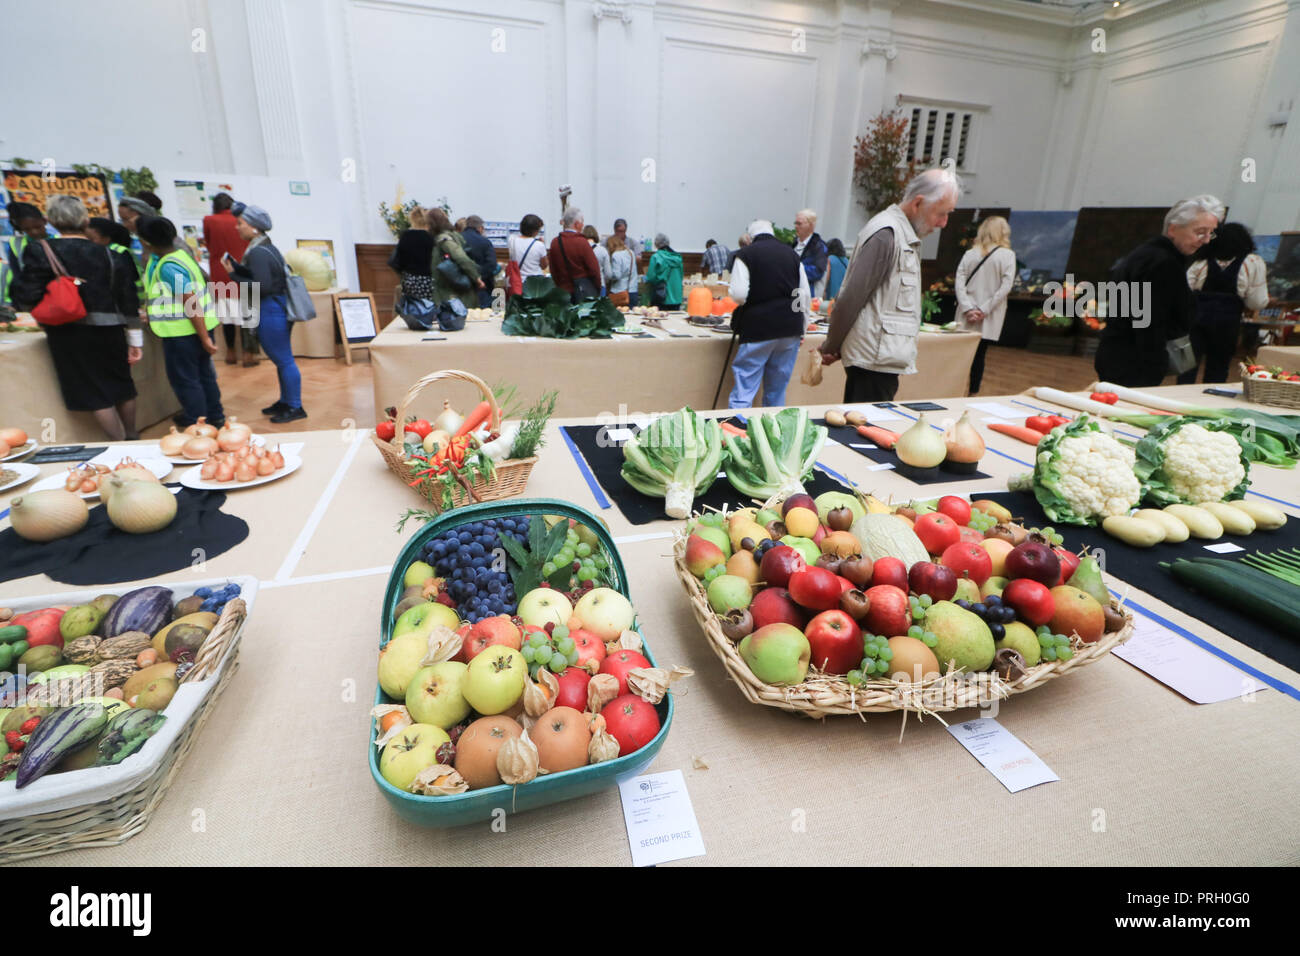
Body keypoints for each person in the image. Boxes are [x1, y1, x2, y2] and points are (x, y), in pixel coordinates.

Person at [820, 166, 961, 402]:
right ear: (917, 204)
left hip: (881, 357)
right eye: (941, 213)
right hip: (873, 360)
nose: (944, 223)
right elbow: (851, 298)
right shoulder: (887, 234)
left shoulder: (902, 233)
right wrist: (831, 345)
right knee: (863, 429)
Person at [10, 196, 142, 440]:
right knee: (122, 385)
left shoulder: (41, 250)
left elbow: (26, 292)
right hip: (112, 329)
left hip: (68, 332)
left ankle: (120, 443)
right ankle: (133, 436)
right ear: (85, 219)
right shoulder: (112, 255)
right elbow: (128, 298)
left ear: (49, 221)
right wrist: (135, 339)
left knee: (95, 392)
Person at [1094, 195, 1224, 387]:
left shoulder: (1148, 254)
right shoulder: (1162, 263)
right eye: (1200, 232)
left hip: (1120, 354)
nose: (1205, 240)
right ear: (1173, 229)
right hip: (1135, 362)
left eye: (1211, 233)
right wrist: (1156, 363)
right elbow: (1149, 321)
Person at [137, 215, 224, 429]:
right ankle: (215, 417)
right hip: (198, 328)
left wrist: (204, 339)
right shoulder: (182, 256)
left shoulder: (168, 266)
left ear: (145, 242)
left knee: (187, 381)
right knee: (204, 376)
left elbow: (190, 301)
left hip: (184, 334)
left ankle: (198, 423)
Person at [226, 206, 307, 423]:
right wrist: (238, 270)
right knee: (282, 359)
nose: (237, 227)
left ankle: (295, 406)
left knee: (284, 360)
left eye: (240, 223)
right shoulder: (266, 246)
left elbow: (262, 286)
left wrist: (233, 275)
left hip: (270, 308)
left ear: (253, 227)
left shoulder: (258, 252)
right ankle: (286, 401)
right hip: (275, 306)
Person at [726, 219, 808, 408]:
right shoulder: (792, 254)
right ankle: (775, 432)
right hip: (790, 328)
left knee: (745, 388)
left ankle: (737, 430)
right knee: (777, 390)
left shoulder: (746, 254)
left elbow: (739, 294)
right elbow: (803, 295)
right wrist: (802, 327)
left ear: (750, 236)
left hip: (758, 327)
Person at [1179, 223, 1269, 384]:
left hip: (1195, 319)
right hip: (1227, 322)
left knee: (1186, 366)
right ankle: (1209, 400)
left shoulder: (1201, 261)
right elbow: (1257, 301)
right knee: (1218, 367)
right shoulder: (1252, 262)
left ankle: (1178, 398)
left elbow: (1183, 290)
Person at [954, 216, 1017, 394]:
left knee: (961, 355)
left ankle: (954, 388)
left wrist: (968, 308)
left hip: (966, 315)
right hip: (988, 316)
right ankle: (973, 392)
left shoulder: (970, 253)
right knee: (979, 355)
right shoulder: (1007, 256)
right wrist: (983, 309)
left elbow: (959, 282)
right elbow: (1006, 286)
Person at [203, 192, 257, 366]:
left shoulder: (209, 220)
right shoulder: (242, 220)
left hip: (220, 272)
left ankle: (231, 353)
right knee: (246, 314)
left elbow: (210, 245)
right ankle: (248, 354)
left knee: (226, 316)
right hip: (243, 270)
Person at [429, 206, 483, 312]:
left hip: (451, 294)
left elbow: (462, 258)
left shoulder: (444, 240)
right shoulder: (452, 237)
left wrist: (476, 278)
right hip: (457, 293)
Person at [548, 207, 601, 302]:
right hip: (582, 293)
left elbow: (553, 270)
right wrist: (597, 288)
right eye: (582, 222)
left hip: (563, 293)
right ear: (576, 224)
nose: (583, 225)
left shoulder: (555, 242)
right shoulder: (582, 242)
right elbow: (594, 270)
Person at [3, 202, 48, 309]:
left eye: (38, 227)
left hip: (56, 296)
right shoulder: (16, 243)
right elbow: (15, 275)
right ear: (20, 228)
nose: (34, 232)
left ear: (44, 221)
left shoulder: (58, 239)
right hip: (29, 298)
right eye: (27, 229)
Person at [392, 205, 436, 312]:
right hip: (429, 280)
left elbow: (397, 260)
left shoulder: (405, 236)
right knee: (430, 309)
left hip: (410, 279)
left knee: (414, 309)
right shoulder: (431, 237)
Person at [461, 215, 500, 309]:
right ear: (480, 228)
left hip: (460, 286)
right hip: (482, 288)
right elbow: (491, 265)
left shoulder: (457, 239)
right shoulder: (485, 242)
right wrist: (478, 278)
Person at [793, 209, 830, 297]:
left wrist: (795, 269)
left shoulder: (819, 246)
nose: (796, 226)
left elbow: (818, 271)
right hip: (792, 293)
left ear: (810, 226)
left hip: (808, 295)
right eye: (795, 223)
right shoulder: (793, 244)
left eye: (799, 224)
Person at [644, 233, 683, 309]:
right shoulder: (678, 258)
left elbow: (651, 277)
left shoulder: (656, 257)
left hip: (662, 297)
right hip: (677, 298)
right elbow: (681, 276)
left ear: (656, 244)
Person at [508, 214, 548, 282]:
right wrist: (542, 244)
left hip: (517, 281)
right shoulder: (539, 245)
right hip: (534, 282)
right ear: (535, 230)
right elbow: (544, 265)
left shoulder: (512, 240)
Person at [612, 219, 642, 306]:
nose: (621, 234)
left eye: (623, 231)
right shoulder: (608, 241)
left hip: (625, 288)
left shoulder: (632, 243)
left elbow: (639, 259)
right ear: (614, 230)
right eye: (619, 231)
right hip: (625, 289)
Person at [604, 234, 635, 307]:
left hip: (619, 292)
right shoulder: (631, 253)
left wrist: (608, 275)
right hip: (632, 289)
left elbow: (617, 275)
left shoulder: (616, 255)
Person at [583, 225, 610, 296]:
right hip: (600, 285)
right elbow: (608, 274)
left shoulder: (579, 249)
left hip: (584, 286)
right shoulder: (602, 250)